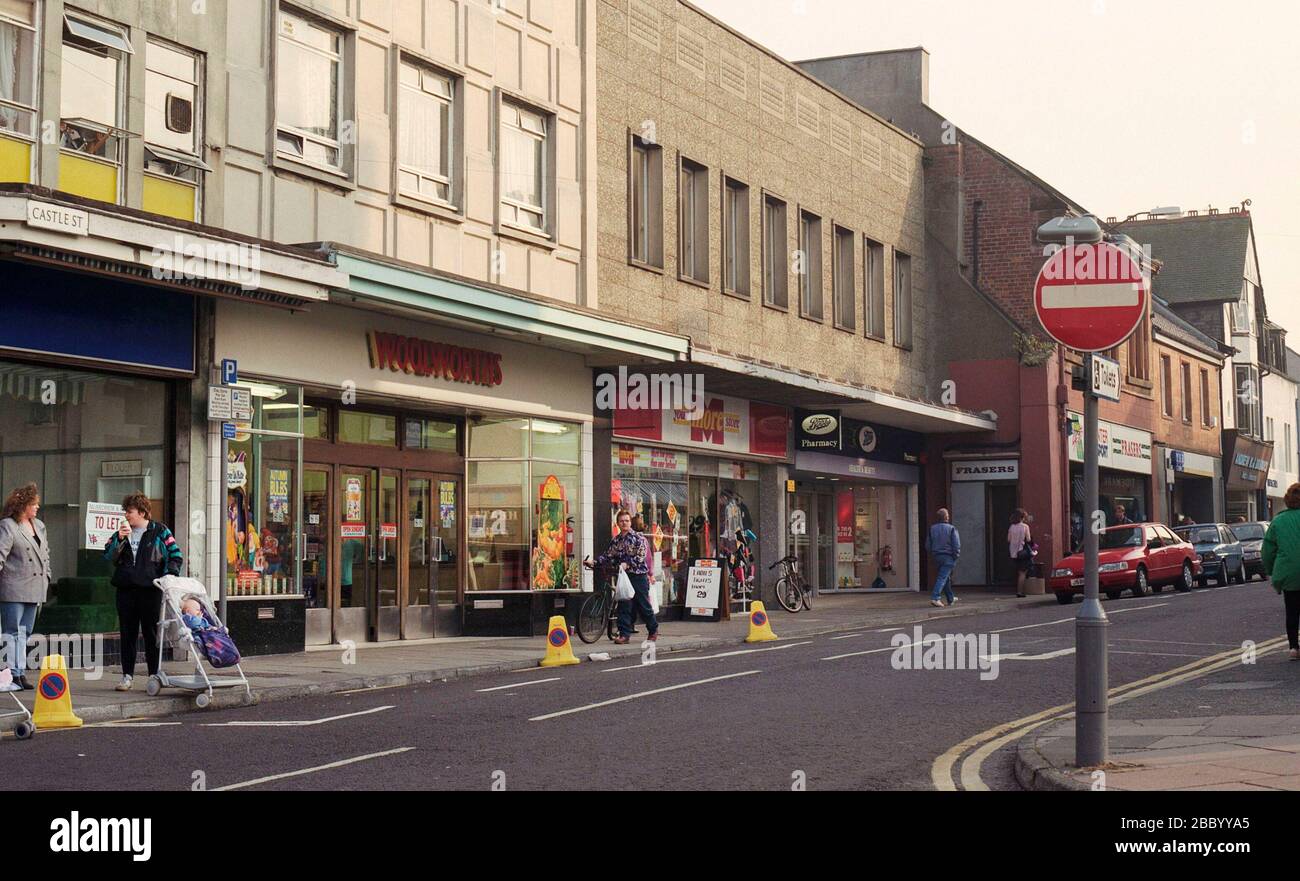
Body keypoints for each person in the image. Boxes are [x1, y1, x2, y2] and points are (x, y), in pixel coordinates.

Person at [103, 493, 183, 691]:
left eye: (129, 511)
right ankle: (127, 676)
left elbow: (175, 555)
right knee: (127, 634)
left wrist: (168, 577)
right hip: (126, 589)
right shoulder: (121, 533)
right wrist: (119, 539)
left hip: (151, 590)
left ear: (141, 512)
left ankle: (154, 675)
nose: (126, 515)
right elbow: (108, 556)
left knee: (151, 634)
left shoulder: (160, 531)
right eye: (125, 511)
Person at [0, 484, 52, 691]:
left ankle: (20, 671)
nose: (37, 507)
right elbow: (1, 554)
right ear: (22, 505)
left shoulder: (39, 525)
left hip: (35, 587)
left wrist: (47, 576)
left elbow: (46, 554)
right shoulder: (8, 525)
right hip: (13, 587)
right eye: (33, 504)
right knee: (12, 632)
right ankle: (12, 673)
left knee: (25, 632)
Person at [584, 509, 657, 644]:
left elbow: (640, 557)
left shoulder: (639, 538)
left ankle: (653, 630)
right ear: (617, 523)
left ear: (630, 522)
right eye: (621, 521)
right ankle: (624, 635)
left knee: (643, 606)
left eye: (627, 521)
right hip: (623, 577)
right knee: (624, 606)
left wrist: (627, 564)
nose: (624, 523)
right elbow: (608, 556)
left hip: (638, 576)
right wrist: (594, 562)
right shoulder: (616, 540)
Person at [1262, 483, 1300, 661]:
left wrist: (1271, 570)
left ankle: (1293, 648)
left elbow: (1267, 551)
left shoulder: (1278, 521)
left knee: (1292, 611)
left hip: (1288, 572)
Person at [926, 508, 960, 608]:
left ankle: (950, 598)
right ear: (946, 517)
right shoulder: (951, 528)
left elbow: (928, 545)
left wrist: (932, 553)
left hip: (936, 557)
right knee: (942, 577)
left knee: (945, 578)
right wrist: (956, 556)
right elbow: (956, 545)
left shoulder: (932, 529)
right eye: (948, 515)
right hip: (948, 557)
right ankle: (935, 598)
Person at [1008, 508, 1033, 597]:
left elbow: (1008, 539)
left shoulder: (1011, 527)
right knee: (1022, 573)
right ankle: (1020, 591)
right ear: (1022, 517)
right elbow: (1028, 539)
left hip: (1013, 553)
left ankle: (1019, 590)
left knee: (1018, 572)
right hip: (1022, 552)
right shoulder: (1025, 527)